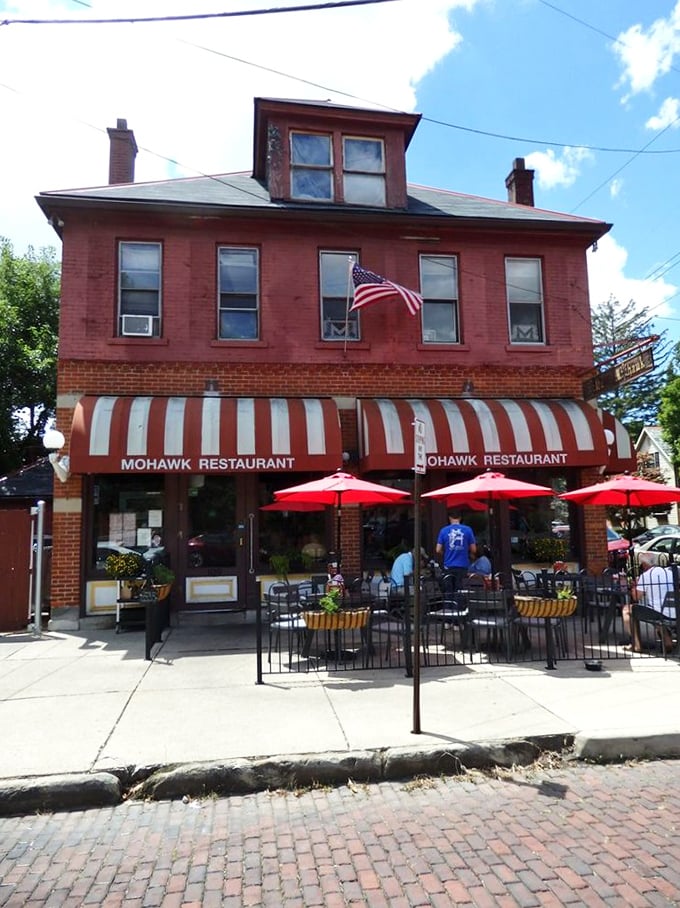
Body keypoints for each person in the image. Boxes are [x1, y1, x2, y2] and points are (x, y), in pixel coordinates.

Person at [623, 554, 675, 652]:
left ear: (644, 564)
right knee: (657, 612)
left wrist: (635, 585)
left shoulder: (646, 575)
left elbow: (636, 597)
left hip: (658, 613)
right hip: (675, 611)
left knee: (627, 609)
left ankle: (636, 645)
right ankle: (667, 642)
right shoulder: (669, 572)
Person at [436, 510, 476, 596]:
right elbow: (474, 549)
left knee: (449, 590)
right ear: (460, 518)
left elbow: (438, 550)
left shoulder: (443, 531)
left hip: (448, 565)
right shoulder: (468, 530)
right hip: (463, 565)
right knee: (460, 590)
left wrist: (445, 553)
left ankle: (450, 607)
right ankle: (460, 607)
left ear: (449, 518)